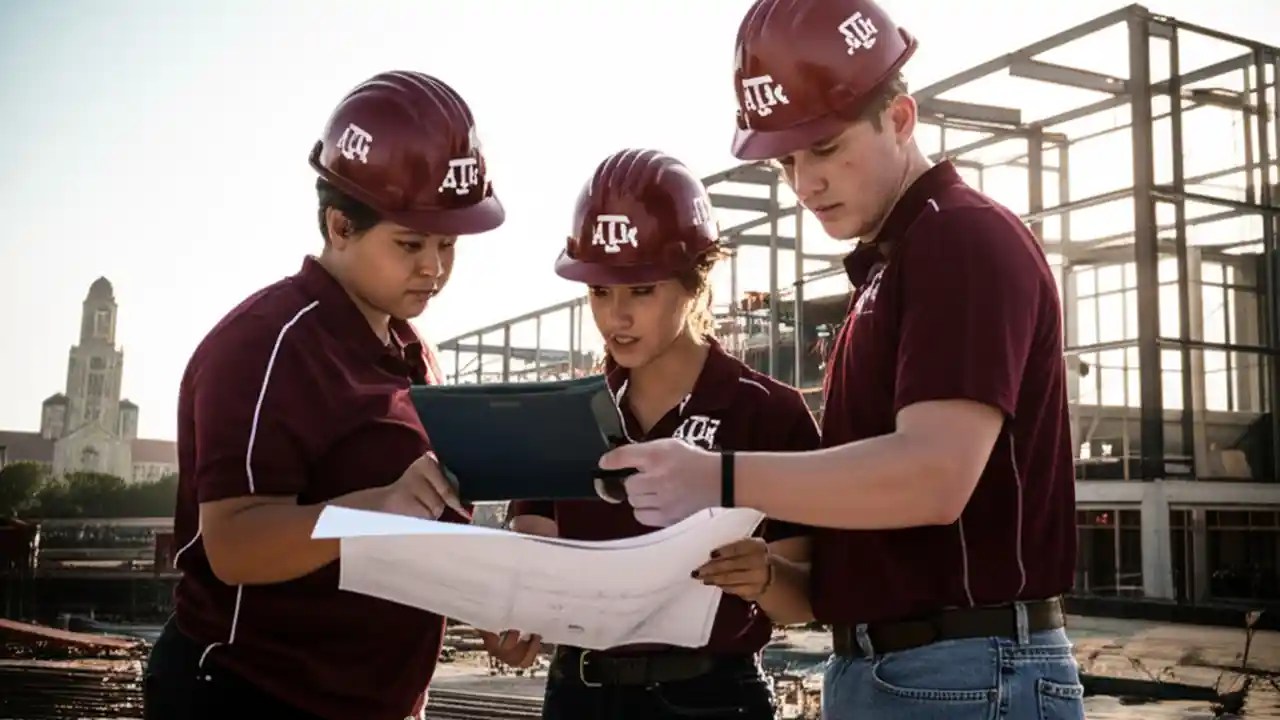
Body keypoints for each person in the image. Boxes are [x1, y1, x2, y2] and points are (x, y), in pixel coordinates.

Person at [596, 2, 1087, 718]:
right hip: (908, 668)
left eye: (824, 149)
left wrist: (717, 477)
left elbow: (932, 477)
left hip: (961, 673)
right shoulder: (894, 269)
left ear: (900, 118)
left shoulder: (963, 243)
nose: (804, 184)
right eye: (788, 160)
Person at [143, 70, 502, 720]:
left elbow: (415, 535)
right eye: (411, 243)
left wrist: (500, 602)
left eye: (449, 244)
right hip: (252, 695)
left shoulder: (413, 352)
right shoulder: (264, 347)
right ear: (340, 226)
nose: (435, 267)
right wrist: (373, 510)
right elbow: (232, 545)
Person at [486, 148, 820, 720]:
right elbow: (530, 558)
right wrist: (513, 619)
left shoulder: (768, 414)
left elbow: (806, 600)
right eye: (599, 291)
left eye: (641, 291)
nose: (616, 316)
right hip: (579, 695)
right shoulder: (562, 417)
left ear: (695, 281)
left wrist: (763, 575)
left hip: (712, 699)